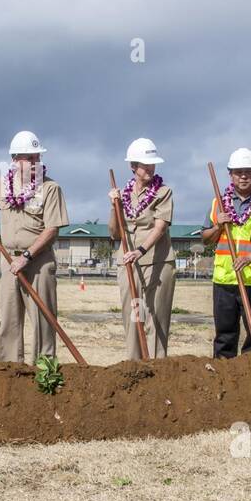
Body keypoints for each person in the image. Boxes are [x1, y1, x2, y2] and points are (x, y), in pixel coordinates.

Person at [0, 131, 70, 363]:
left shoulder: (50, 188)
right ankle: (10, 371)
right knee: (9, 320)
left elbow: (52, 229)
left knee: (43, 320)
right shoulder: (2, 184)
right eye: (29, 158)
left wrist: (27, 256)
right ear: (15, 160)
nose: (34, 163)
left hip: (38, 262)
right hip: (9, 259)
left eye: (36, 157)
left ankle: (43, 371)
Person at [201, 147, 251, 358]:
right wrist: (218, 225)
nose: (243, 176)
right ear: (231, 175)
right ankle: (223, 375)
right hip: (224, 280)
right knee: (224, 335)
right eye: (239, 172)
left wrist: (249, 258)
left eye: (248, 171)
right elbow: (205, 239)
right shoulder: (217, 203)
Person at [107, 138, 175, 359]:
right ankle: (134, 364)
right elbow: (115, 233)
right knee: (134, 315)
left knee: (156, 316)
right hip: (128, 263)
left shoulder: (163, 192)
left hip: (157, 261)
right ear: (133, 166)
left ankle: (157, 367)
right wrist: (114, 206)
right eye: (146, 165)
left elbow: (161, 226)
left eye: (152, 164)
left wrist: (141, 250)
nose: (150, 168)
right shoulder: (123, 194)